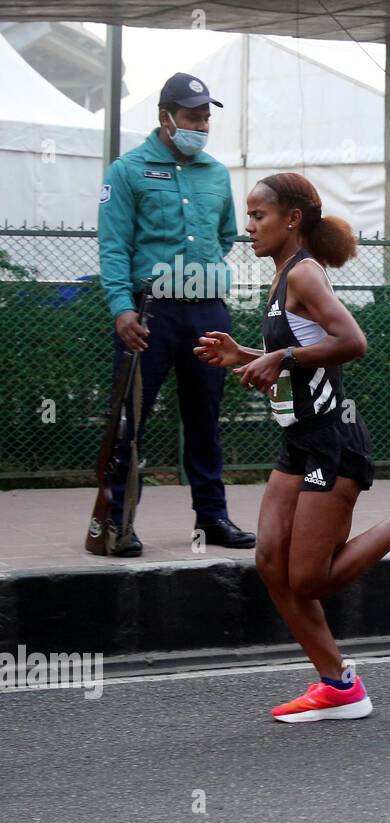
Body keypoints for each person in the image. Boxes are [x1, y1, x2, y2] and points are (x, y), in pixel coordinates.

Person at [194, 173, 390, 722]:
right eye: (249, 216)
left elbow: (352, 342)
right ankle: (338, 684)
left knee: (310, 578)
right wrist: (246, 354)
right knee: (272, 564)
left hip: (332, 442)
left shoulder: (304, 275)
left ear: (291, 219)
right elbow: (297, 356)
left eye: (259, 216)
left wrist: (280, 359)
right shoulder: (283, 277)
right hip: (297, 442)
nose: (248, 226)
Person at [95, 72, 255, 556]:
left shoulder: (216, 174)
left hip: (207, 312)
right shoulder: (127, 171)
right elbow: (114, 246)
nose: (202, 124)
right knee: (131, 421)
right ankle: (116, 523)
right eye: (192, 116)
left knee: (204, 419)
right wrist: (123, 308)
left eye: (206, 116)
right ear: (165, 117)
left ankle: (213, 519)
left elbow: (225, 235)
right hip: (150, 316)